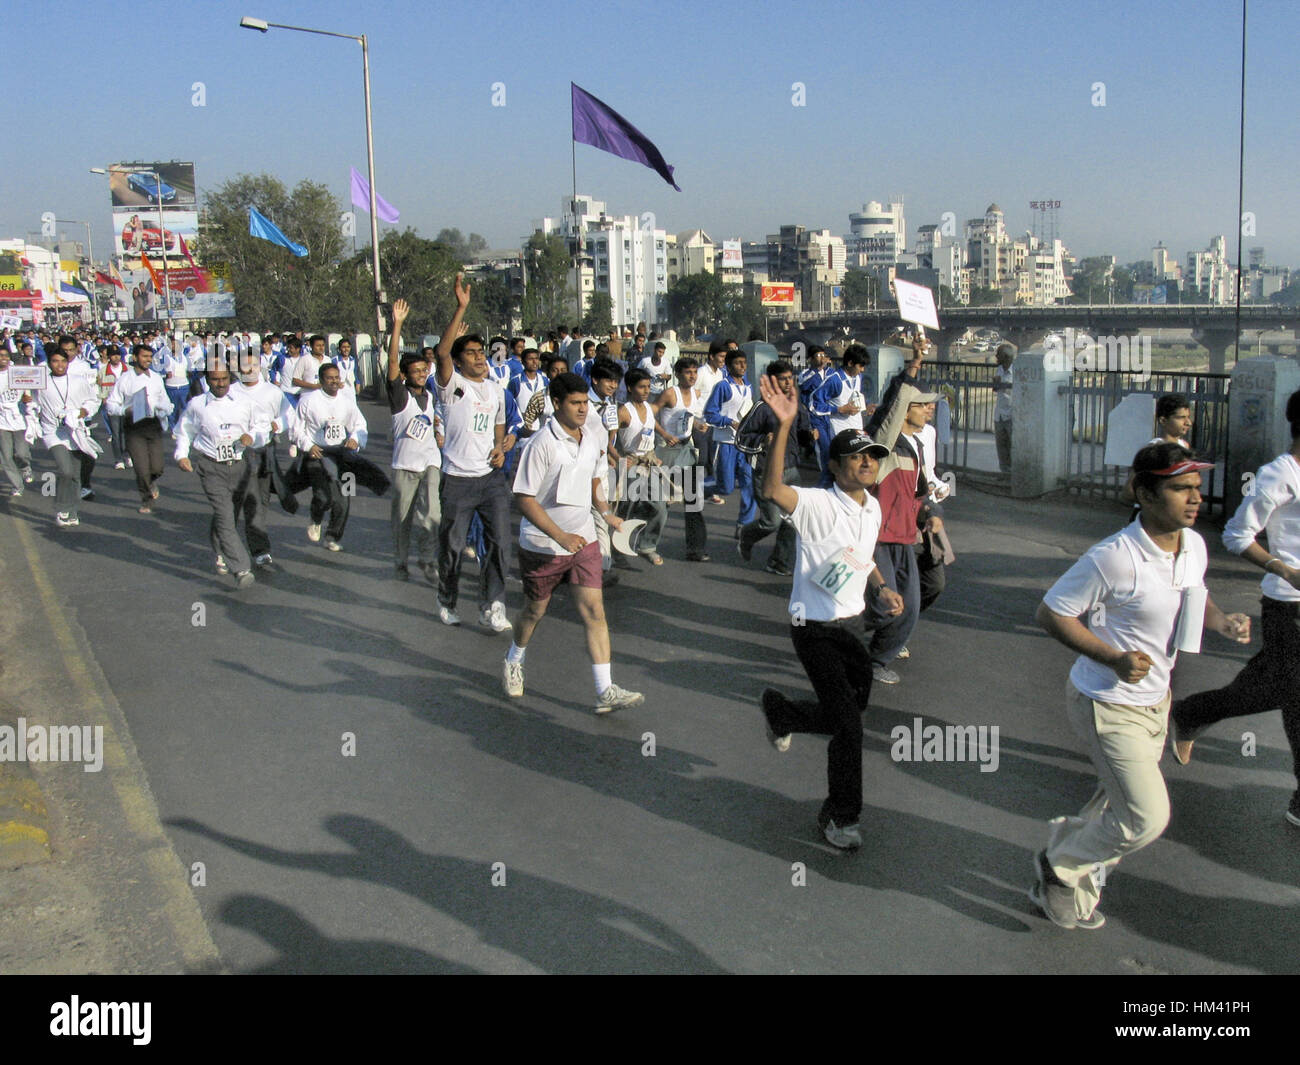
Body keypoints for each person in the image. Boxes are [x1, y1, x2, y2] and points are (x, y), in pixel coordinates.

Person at [1030, 442, 1251, 930]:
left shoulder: (1192, 544)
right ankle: (1059, 864)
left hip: (1156, 701)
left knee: (1115, 803)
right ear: (1144, 494)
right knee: (1145, 818)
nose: (1194, 498)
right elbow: (1051, 612)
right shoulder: (1114, 557)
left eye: (1196, 487)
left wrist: (1221, 621)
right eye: (1179, 488)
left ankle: (1070, 885)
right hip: (1107, 703)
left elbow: (1196, 597)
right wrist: (1111, 656)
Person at [754, 371, 903, 850]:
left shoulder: (872, 508)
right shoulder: (818, 503)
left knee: (851, 709)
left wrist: (881, 588)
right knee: (850, 727)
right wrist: (783, 426)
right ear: (836, 467)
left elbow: (864, 555)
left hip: (850, 625)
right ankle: (839, 817)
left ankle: (785, 713)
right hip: (812, 627)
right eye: (857, 457)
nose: (867, 463)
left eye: (872, 457)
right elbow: (774, 490)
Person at [1169, 390, 1300, 828]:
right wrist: (1286, 571)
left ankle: (1192, 712)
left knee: (1280, 689)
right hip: (1290, 606)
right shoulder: (1279, 475)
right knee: (1290, 694)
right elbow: (1237, 534)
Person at [502, 372, 644, 712]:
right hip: (543, 545)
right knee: (535, 610)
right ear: (556, 404)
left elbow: (595, 479)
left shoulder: (592, 437)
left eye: (585, 403)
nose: (583, 409)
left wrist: (606, 513)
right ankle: (514, 659)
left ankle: (604, 690)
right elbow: (523, 498)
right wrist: (560, 536)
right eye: (575, 403)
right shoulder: (542, 444)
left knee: (595, 611)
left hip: (584, 542)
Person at [433, 275, 513, 632]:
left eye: (482, 353)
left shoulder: (495, 390)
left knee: (499, 544)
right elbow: (440, 352)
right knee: (452, 548)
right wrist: (461, 307)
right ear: (459, 361)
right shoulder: (452, 386)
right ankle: (447, 599)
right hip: (457, 480)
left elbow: (499, 425)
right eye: (472, 353)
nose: (480, 358)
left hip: (490, 480)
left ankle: (492, 604)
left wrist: (499, 447)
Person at [862, 379, 942, 683]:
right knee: (885, 607)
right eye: (922, 404)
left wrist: (932, 513)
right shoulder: (884, 448)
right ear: (904, 410)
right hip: (877, 539)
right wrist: (912, 368)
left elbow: (918, 494)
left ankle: (877, 660)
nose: (929, 409)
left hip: (905, 538)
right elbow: (887, 417)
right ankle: (836, 631)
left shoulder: (917, 447)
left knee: (908, 606)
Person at [174, 365, 257, 588]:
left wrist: (251, 436)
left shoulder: (243, 402)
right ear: (207, 380)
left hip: (239, 466)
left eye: (224, 379)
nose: (220, 384)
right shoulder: (197, 405)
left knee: (229, 515)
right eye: (215, 379)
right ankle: (241, 568)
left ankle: (220, 550)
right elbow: (184, 431)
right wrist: (181, 455)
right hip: (211, 466)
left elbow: (259, 425)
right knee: (224, 514)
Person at [738, 360, 811, 576]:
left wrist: (810, 436)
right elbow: (741, 438)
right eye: (783, 379)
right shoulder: (762, 407)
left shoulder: (796, 404)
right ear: (772, 381)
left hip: (792, 470)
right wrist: (762, 440)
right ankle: (747, 534)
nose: (788, 382)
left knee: (793, 519)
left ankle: (779, 562)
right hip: (766, 472)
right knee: (772, 522)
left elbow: (803, 430)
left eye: (790, 378)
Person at [387, 299, 443, 584]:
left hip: (431, 463)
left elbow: (436, 421)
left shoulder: (431, 396)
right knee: (403, 519)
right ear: (406, 375)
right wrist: (397, 324)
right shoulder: (400, 396)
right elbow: (393, 361)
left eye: (425, 370)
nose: (422, 374)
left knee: (432, 512)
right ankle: (400, 562)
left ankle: (428, 559)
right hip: (405, 465)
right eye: (417, 371)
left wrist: (439, 433)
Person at [292, 363, 369, 552]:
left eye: (337, 377)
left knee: (344, 499)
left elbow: (359, 424)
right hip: (317, 454)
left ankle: (332, 536)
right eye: (329, 377)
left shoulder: (346, 401)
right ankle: (316, 517)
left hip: (341, 455)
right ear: (320, 380)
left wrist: (354, 439)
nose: (334, 381)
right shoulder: (308, 401)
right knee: (323, 496)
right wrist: (308, 446)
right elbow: (296, 430)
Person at [233, 350, 294, 569]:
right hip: (241, 454)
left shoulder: (272, 392)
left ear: (260, 367)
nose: (249, 370)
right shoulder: (231, 392)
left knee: (262, 500)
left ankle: (255, 541)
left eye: (253, 366)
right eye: (244, 367)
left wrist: (280, 423)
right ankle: (253, 548)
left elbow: (289, 413)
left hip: (266, 451)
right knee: (250, 501)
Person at [32, 348, 100, 527]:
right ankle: (61, 507)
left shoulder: (78, 381)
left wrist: (83, 411)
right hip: (53, 433)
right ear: (49, 363)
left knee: (76, 476)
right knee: (65, 471)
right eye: (55, 361)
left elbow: (93, 400)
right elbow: (31, 400)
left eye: (63, 361)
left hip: (75, 432)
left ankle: (72, 512)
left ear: (68, 362)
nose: (59, 365)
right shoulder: (42, 382)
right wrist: (27, 401)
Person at [653, 356, 709, 561]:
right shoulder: (670, 393)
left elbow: (689, 417)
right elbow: (650, 414)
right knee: (660, 502)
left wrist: (698, 426)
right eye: (688, 372)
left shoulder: (696, 394)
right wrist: (665, 435)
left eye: (695, 371)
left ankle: (696, 549)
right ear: (677, 375)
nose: (692, 375)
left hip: (687, 449)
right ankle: (645, 542)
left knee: (693, 500)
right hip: (667, 451)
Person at [105, 344, 172, 513]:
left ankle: (151, 481)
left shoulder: (156, 378)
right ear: (135, 357)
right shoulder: (125, 379)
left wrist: (164, 408)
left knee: (157, 467)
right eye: (144, 356)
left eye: (150, 357)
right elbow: (111, 404)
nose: (148, 360)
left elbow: (165, 400)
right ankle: (146, 500)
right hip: (134, 426)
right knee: (141, 468)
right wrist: (124, 410)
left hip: (153, 424)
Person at [615, 369, 671, 566]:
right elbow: (607, 438)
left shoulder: (649, 407)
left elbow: (651, 424)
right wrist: (620, 458)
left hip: (650, 462)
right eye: (641, 387)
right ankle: (616, 551)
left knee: (660, 507)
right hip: (631, 465)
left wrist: (664, 435)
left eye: (648, 386)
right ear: (630, 388)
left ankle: (647, 545)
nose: (646, 390)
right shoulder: (623, 412)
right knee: (625, 511)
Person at [703, 349, 756, 532]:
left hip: (745, 445)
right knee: (725, 487)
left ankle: (744, 525)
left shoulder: (748, 386)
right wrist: (729, 422)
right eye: (737, 363)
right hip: (725, 443)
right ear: (728, 366)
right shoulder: (723, 386)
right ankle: (696, 488)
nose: (742, 366)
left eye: (744, 362)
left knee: (749, 484)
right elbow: (709, 414)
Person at [0, 348, 32, 497]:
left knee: (21, 452)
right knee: (6, 456)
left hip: (17, 418)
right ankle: (17, 485)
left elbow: (28, 392)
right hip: (1, 420)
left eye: (5, 355)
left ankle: (25, 467)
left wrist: (27, 398)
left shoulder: (17, 372)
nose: (3, 358)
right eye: (0, 356)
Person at [992, 342, 1015, 473]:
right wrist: (996, 384)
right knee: (1001, 446)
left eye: (998, 354)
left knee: (1012, 446)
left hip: (1011, 413)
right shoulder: (1000, 369)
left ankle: (1013, 473)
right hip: (999, 414)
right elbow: (996, 389)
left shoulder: (1017, 371)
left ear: (1006, 357)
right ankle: (1004, 472)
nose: (996, 357)